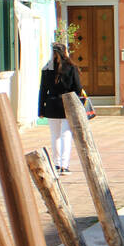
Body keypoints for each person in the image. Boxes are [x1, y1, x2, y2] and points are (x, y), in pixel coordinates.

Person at [38, 43, 85, 176]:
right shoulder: (71, 67)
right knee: (66, 135)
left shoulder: (46, 68)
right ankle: (65, 165)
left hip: (51, 105)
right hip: (67, 105)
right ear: (65, 52)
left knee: (55, 136)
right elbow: (78, 88)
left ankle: (57, 164)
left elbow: (42, 90)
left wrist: (40, 110)